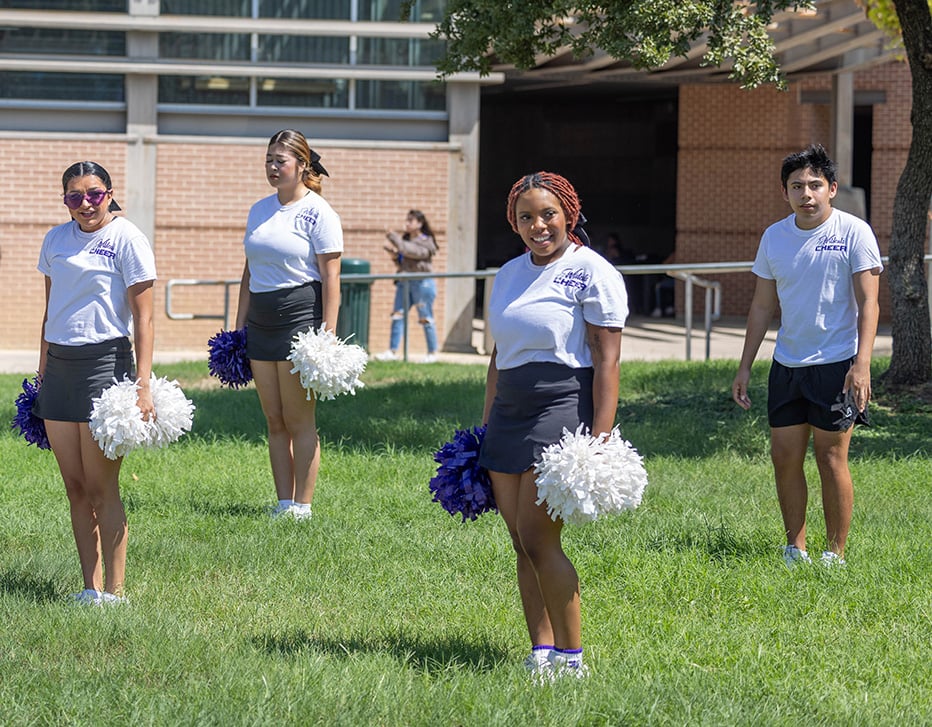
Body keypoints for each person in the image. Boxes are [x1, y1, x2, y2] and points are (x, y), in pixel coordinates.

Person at [478, 171, 629, 679]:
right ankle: (541, 651)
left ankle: (572, 658)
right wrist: (486, 423)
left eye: (548, 214)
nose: (538, 225)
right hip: (508, 410)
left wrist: (600, 439)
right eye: (526, 217)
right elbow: (499, 355)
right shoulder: (507, 273)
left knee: (541, 536)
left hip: (562, 402)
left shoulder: (591, 271)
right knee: (520, 538)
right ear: (513, 222)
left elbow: (608, 361)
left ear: (569, 212)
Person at [731, 144, 882, 569]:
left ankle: (834, 553)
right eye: (796, 186)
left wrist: (862, 363)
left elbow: (869, 303)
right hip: (787, 365)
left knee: (831, 458)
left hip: (836, 363)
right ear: (785, 193)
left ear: (832, 188)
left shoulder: (855, 232)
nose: (806, 194)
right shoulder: (774, 237)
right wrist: (745, 366)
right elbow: (762, 306)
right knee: (784, 457)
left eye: (815, 185)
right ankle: (794, 549)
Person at [33, 161, 157, 605]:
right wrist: (42, 372)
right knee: (75, 487)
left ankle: (116, 593)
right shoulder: (55, 241)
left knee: (103, 486)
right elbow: (50, 314)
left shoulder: (127, 238)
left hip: (106, 365)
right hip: (60, 371)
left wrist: (142, 384)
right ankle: (90, 588)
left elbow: (143, 317)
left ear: (109, 194)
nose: (85, 203)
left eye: (94, 194)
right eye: (75, 196)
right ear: (65, 200)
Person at [234, 129, 343, 521]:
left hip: (300, 317)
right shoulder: (258, 210)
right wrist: (238, 326)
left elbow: (332, 279)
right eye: (269, 160)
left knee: (299, 418)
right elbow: (249, 272)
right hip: (261, 320)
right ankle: (283, 502)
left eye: (280, 161)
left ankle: (304, 506)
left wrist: (327, 335)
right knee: (274, 418)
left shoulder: (319, 212)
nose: (273, 167)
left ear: (302, 165)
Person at [373, 210, 440, 363]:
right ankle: (392, 351)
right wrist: (394, 256)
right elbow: (403, 259)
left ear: (420, 224)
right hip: (404, 282)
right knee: (397, 315)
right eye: (407, 220)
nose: (407, 223)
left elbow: (411, 251)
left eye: (411, 220)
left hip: (422, 283)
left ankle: (432, 353)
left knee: (425, 317)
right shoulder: (405, 240)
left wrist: (393, 236)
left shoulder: (426, 241)